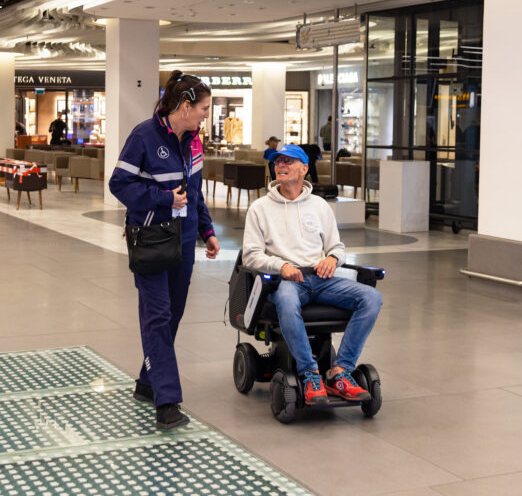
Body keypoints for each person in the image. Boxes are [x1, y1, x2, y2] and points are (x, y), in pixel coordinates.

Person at [109, 71, 221, 430]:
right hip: (150, 238)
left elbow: (194, 192)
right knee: (157, 315)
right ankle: (167, 401)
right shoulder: (144, 135)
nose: (206, 115)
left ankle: (148, 382)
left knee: (172, 314)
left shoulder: (195, 143)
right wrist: (163, 198)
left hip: (184, 240)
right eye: (203, 108)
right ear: (185, 106)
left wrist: (207, 231)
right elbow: (119, 184)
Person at [242, 144, 382, 407]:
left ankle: (340, 371)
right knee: (286, 300)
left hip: (321, 279)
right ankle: (310, 374)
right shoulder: (259, 208)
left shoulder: (319, 206)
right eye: (278, 161)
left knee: (372, 297)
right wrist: (281, 266)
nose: (280, 165)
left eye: (288, 161)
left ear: (304, 169)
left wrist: (332, 259)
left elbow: (337, 247)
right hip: (285, 281)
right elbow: (251, 256)